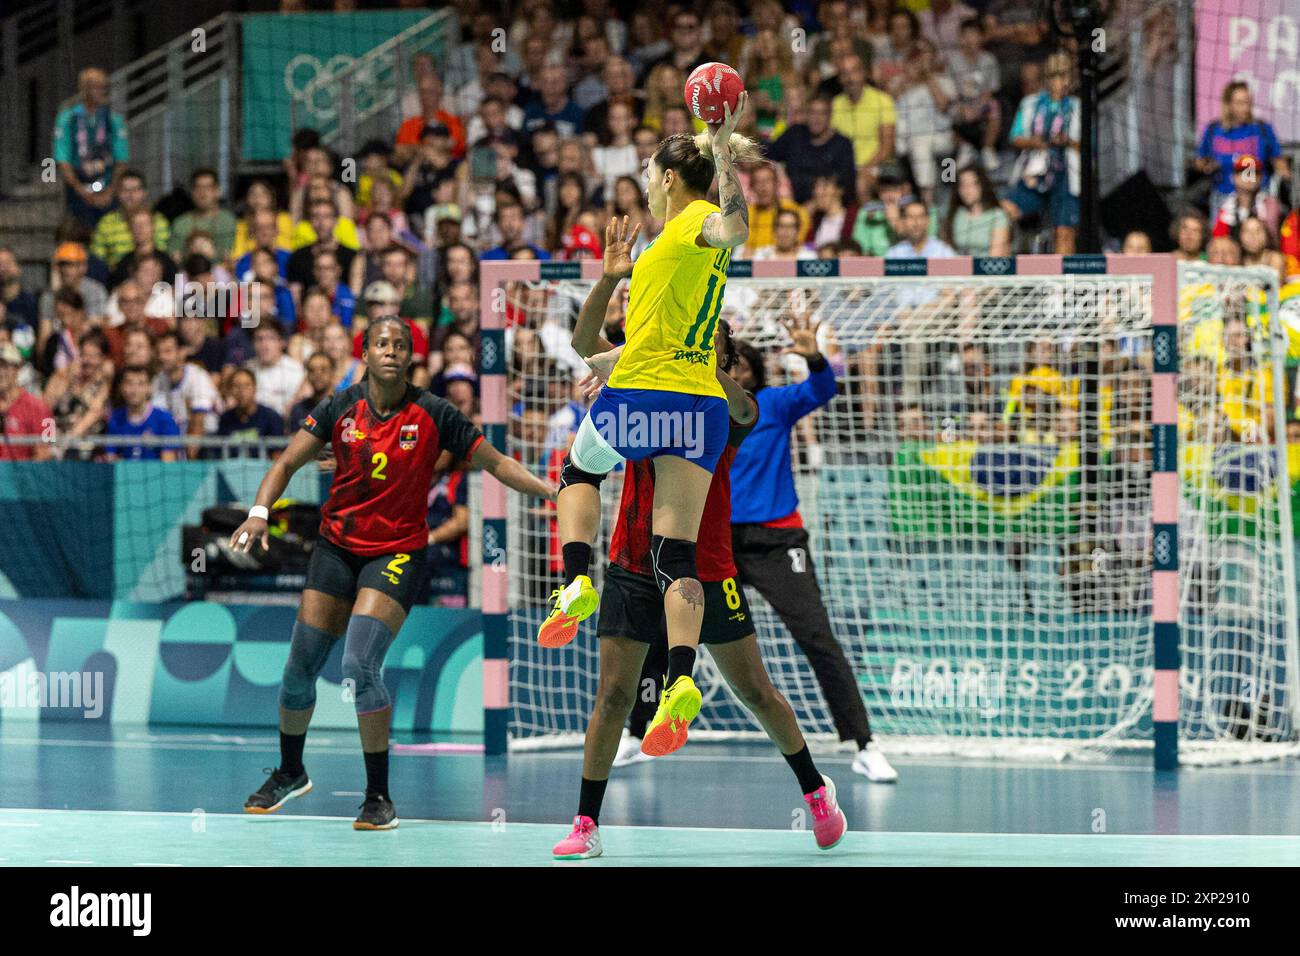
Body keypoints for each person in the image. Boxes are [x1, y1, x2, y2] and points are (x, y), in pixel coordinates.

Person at [232, 316, 554, 830]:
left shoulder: (433, 412)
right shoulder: (339, 406)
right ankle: (291, 771)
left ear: (410, 357)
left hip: (397, 553)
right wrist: (258, 513)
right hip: (336, 549)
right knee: (298, 672)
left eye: (399, 345)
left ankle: (378, 797)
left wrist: (550, 490)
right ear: (365, 352)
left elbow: (494, 463)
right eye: (381, 343)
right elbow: (285, 464)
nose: (390, 351)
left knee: (359, 665)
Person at [539, 93, 759, 760]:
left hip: (645, 392)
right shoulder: (680, 251)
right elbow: (602, 345)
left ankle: (575, 578)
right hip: (699, 405)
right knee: (676, 556)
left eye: (648, 177)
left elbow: (737, 224)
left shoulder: (688, 224)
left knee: (580, 469)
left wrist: (720, 146)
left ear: (667, 179)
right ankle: (683, 678)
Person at [728, 316, 898, 782]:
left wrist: (815, 356)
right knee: (665, 631)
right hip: (718, 541)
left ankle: (863, 744)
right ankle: (638, 734)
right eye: (728, 363)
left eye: (743, 365)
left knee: (818, 638)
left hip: (778, 542)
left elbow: (823, 390)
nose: (735, 371)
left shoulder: (774, 404)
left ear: (755, 372)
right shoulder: (701, 411)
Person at [1003, 51, 1080, 254]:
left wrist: (1067, 141)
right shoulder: (1030, 103)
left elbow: (1087, 147)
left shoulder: (1078, 107)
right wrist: (1034, 142)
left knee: (1064, 232)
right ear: (1047, 78)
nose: (1062, 81)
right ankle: (1003, 267)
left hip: (1066, 175)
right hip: (1034, 171)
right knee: (1005, 212)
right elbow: (1015, 137)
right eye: (1056, 75)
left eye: (1066, 76)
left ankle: (1063, 285)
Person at [1194, 81, 1286, 216]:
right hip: (1222, 196)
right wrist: (1206, 165)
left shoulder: (1261, 129)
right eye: (1239, 103)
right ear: (1228, 104)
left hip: (1258, 198)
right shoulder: (1214, 129)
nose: (1245, 108)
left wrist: (1284, 174)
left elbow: (1278, 160)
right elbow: (1200, 161)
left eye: (1248, 102)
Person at [53, 67, 129, 227]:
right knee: (78, 234)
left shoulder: (113, 118)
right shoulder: (68, 118)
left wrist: (110, 191)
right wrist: (81, 191)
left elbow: (122, 158)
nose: (103, 92)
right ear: (84, 89)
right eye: (97, 87)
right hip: (78, 188)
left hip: (108, 187)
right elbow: (62, 159)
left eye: (105, 87)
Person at [767, 95, 856, 205]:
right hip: (789, 203)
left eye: (822, 113)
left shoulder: (842, 144)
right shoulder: (795, 134)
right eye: (812, 113)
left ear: (830, 116)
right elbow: (768, 154)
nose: (817, 118)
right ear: (806, 115)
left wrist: (814, 204)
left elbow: (845, 182)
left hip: (826, 205)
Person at [89, 169, 170, 269]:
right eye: (125, 190)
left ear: (145, 192)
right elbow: (97, 260)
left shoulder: (158, 221)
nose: (130, 195)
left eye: (135, 189)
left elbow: (162, 257)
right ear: (117, 192)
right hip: (116, 279)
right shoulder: (106, 223)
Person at [104, 365, 182, 461]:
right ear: (121, 387)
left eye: (140, 384)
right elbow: (111, 458)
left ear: (149, 388)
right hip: (125, 474)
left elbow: (168, 463)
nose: (134, 390)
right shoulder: (115, 419)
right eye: (129, 383)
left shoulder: (164, 419)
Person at [152, 331, 222, 436]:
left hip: (209, 439)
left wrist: (188, 452)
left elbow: (198, 424)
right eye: (159, 352)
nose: (162, 357)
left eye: (168, 351)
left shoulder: (197, 376)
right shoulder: (158, 380)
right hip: (178, 439)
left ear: (180, 352)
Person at [168, 169, 238, 262]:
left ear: (217, 191)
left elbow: (230, 256)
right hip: (187, 275)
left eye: (207, 187)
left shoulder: (228, 221)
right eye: (198, 187)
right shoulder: (180, 224)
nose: (202, 193)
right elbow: (175, 263)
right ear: (192, 192)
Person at [0, 343, 54, 461]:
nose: (0, 372)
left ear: (17, 368)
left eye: (4, 366)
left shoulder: (39, 408)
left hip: (20, 475)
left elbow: (46, 452)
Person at [942, 164, 1011, 256]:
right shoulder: (955, 214)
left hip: (985, 268)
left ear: (982, 186)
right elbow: (946, 252)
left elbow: (996, 257)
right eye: (962, 185)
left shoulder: (997, 216)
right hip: (956, 267)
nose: (966, 190)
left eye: (972, 184)